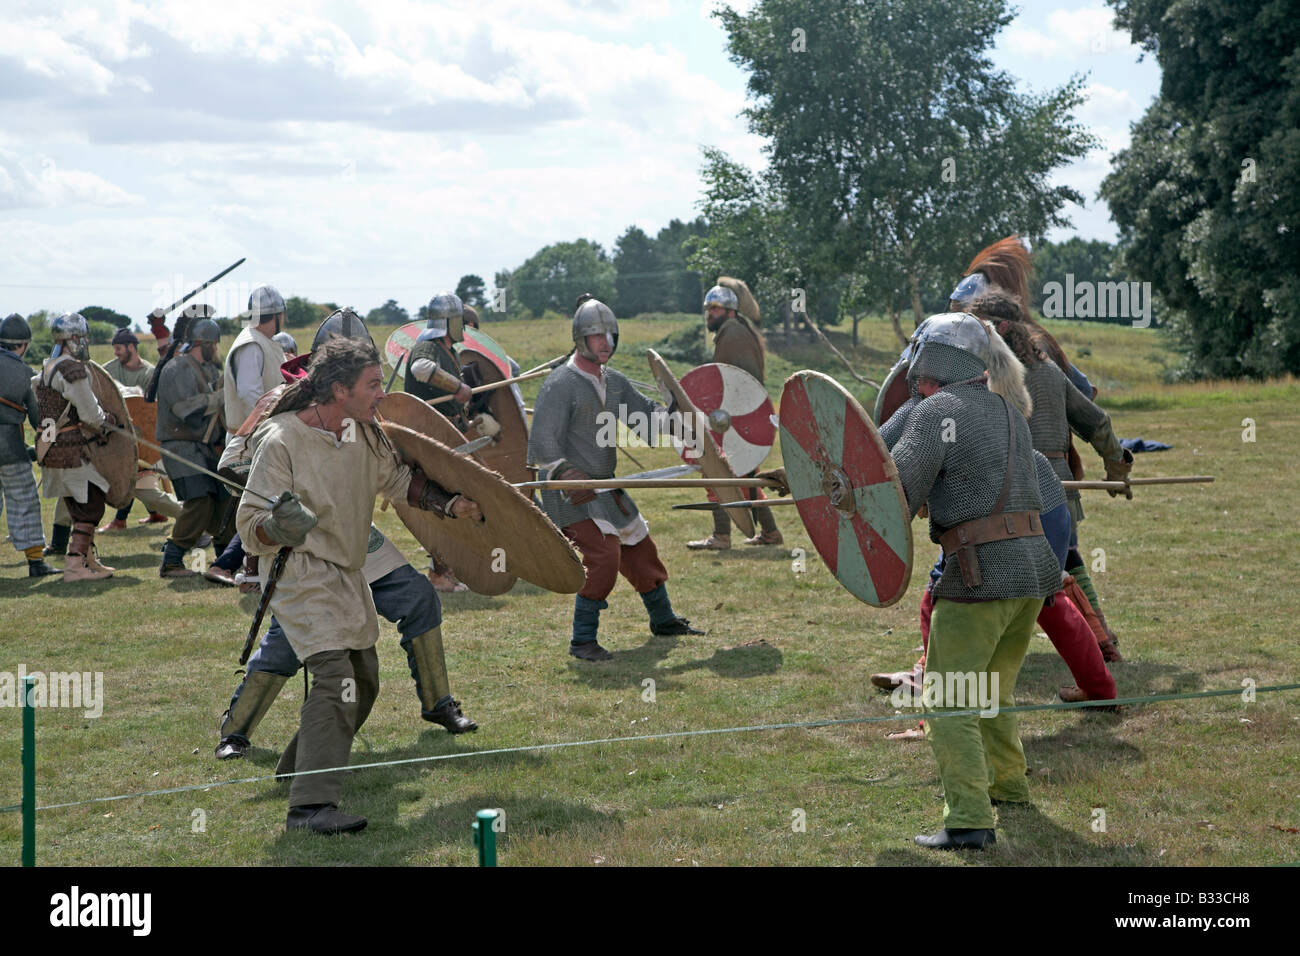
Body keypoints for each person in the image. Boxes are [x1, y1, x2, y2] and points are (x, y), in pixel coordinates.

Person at [235, 337, 482, 835]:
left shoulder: (364, 434)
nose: (380, 395)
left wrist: (450, 505)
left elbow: (397, 481)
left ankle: (297, 767)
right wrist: (279, 524)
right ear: (339, 389)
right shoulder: (280, 440)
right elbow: (249, 526)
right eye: (372, 385)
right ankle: (310, 809)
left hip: (346, 571)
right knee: (333, 678)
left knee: (363, 680)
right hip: (298, 573)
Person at [887, 312, 1059, 850]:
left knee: (949, 698)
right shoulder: (1010, 411)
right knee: (993, 690)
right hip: (1033, 572)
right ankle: (1009, 789)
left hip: (979, 574)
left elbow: (895, 498)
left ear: (931, 359)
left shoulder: (938, 410)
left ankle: (967, 819)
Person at [529, 298, 703, 661]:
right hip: (570, 491)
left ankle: (663, 620)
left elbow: (645, 422)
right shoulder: (560, 383)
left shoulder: (616, 383)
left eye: (610, 336)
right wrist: (564, 472)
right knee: (603, 557)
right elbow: (542, 443)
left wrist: (678, 415)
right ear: (580, 339)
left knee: (639, 547)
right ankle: (582, 641)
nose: (605, 343)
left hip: (606, 485)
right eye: (596, 336)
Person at [215, 524, 477, 760]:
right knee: (286, 641)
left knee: (418, 597)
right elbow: (252, 494)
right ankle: (236, 729)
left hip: (355, 532)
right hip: (307, 547)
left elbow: (397, 477)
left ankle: (438, 704)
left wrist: (448, 502)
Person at [975, 291, 1132, 658]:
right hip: (1059, 485)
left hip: (1016, 485)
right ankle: (1101, 642)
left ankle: (973, 645)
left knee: (995, 562)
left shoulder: (991, 378)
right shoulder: (1050, 371)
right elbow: (1096, 422)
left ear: (999, 329)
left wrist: (1117, 470)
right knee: (1066, 560)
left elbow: (1093, 421)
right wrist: (1116, 465)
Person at [687, 282, 782, 550]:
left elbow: (739, 383)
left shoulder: (733, 335)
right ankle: (771, 533)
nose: (709, 314)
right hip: (740, 419)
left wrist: (726, 416)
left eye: (715, 309)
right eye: (708, 309)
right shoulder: (734, 332)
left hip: (738, 419)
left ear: (730, 311)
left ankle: (721, 536)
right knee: (745, 479)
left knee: (715, 473)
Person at [34, 313, 118, 581]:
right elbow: (91, 415)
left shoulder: (49, 367)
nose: (85, 342)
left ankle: (87, 560)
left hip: (52, 447)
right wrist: (108, 423)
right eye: (82, 338)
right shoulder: (72, 370)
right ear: (74, 339)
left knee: (81, 501)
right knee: (91, 503)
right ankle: (74, 566)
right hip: (69, 449)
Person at [404, 292, 476, 592]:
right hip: (429, 441)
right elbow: (420, 369)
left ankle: (450, 572)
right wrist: (456, 386)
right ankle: (440, 575)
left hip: (446, 438)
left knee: (453, 503)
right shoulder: (427, 346)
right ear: (451, 322)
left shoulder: (449, 352)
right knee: (441, 504)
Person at [155, 309, 231, 578]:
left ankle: (225, 561)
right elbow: (184, 408)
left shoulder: (206, 369)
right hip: (181, 446)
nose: (216, 349)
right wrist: (221, 397)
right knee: (199, 500)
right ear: (204, 344)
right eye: (214, 344)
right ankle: (172, 560)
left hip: (203, 447)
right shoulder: (178, 368)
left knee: (223, 501)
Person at [98, 328, 179, 531]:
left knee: (146, 470)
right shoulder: (107, 372)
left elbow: (152, 412)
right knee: (132, 476)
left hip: (146, 435)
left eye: (119, 348)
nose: (115, 352)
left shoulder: (149, 373)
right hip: (115, 435)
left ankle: (127, 518)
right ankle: (154, 513)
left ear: (131, 347)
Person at [0, 313, 57, 576]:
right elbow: (41, 422)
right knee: (24, 500)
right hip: (11, 449)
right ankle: (36, 562)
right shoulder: (26, 374)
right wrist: (46, 448)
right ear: (23, 345)